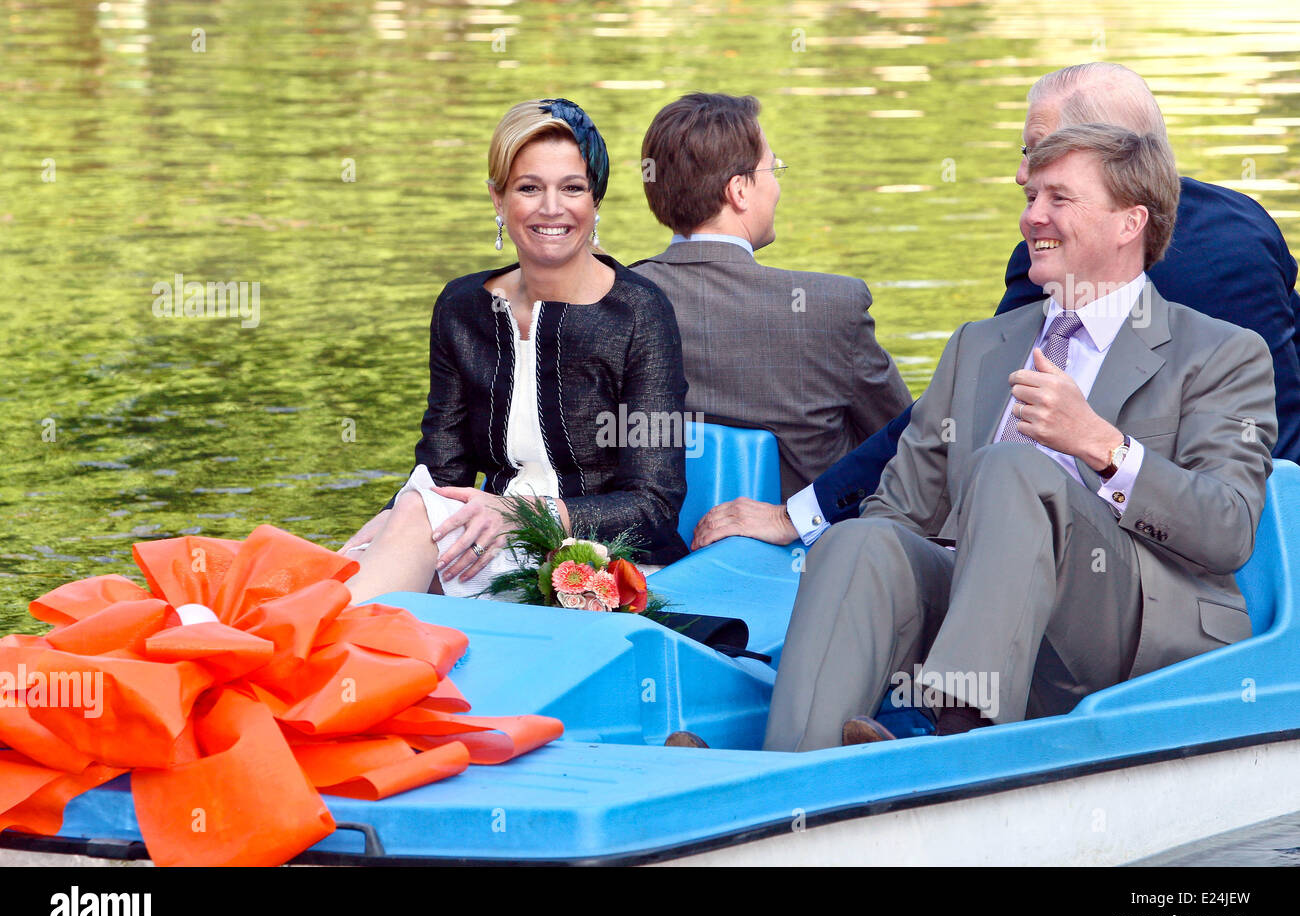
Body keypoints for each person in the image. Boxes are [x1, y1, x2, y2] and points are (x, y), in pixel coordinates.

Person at [764, 123, 1276, 751]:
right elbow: (897, 511)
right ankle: (789, 773)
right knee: (860, 539)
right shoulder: (977, 346)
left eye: (1058, 199)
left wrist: (1101, 446)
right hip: (970, 617)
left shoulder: (1222, 352)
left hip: (1132, 628)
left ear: (1129, 223)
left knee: (1012, 470)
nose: (1033, 217)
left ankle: (965, 750)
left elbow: (1228, 530)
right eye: (1031, 198)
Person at [690, 62, 1300, 552]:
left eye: (1040, 154)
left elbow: (971, 403)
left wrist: (799, 514)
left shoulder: (1055, 255)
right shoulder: (1251, 222)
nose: (1019, 176)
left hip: (1150, 545)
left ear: (1109, 153)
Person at [340, 98, 689, 603]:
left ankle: (321, 653)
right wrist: (398, 516)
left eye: (572, 188)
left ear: (595, 202)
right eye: (529, 188)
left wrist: (519, 514)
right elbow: (443, 472)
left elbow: (653, 506)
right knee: (368, 546)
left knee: (392, 553)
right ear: (498, 200)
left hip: (606, 560)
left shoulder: (639, 314)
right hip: (484, 539)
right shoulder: (462, 308)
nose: (552, 207)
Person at [629, 92, 910, 500]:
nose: (776, 186)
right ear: (739, 190)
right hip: (806, 556)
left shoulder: (617, 300)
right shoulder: (831, 307)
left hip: (649, 556)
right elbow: (907, 445)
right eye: (773, 168)